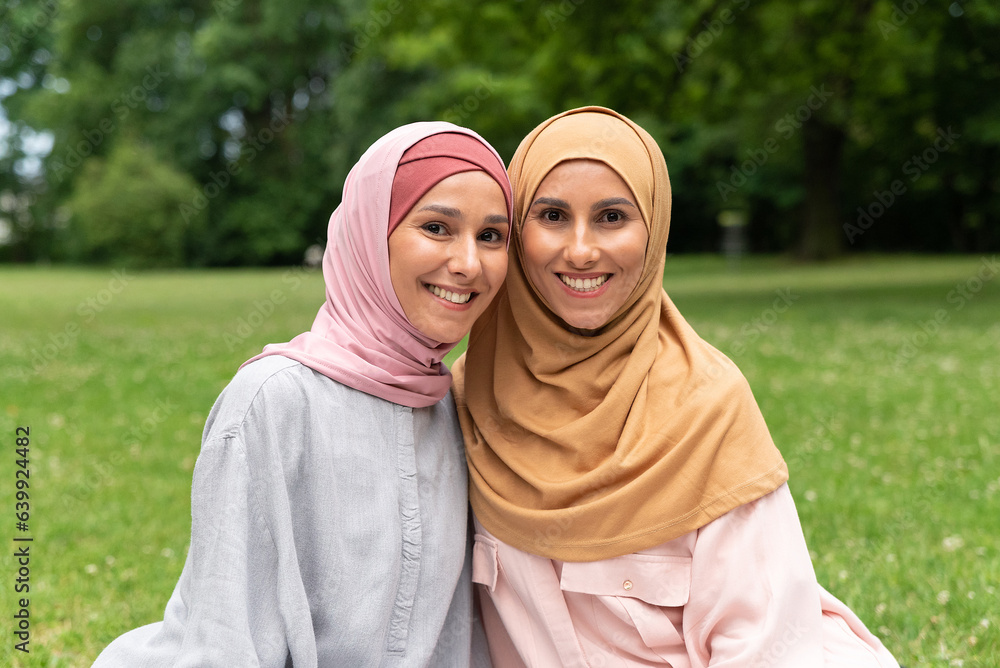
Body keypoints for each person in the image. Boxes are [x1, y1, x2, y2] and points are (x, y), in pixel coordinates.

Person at [452, 107, 899, 667]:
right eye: (552, 215)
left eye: (612, 216)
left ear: (655, 228)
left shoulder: (707, 404)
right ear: (516, 231)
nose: (582, 249)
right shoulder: (468, 400)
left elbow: (760, 646)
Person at [93, 121, 512, 667]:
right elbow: (228, 640)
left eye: (491, 236)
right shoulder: (273, 402)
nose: (468, 263)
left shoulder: (453, 408)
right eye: (436, 227)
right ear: (368, 235)